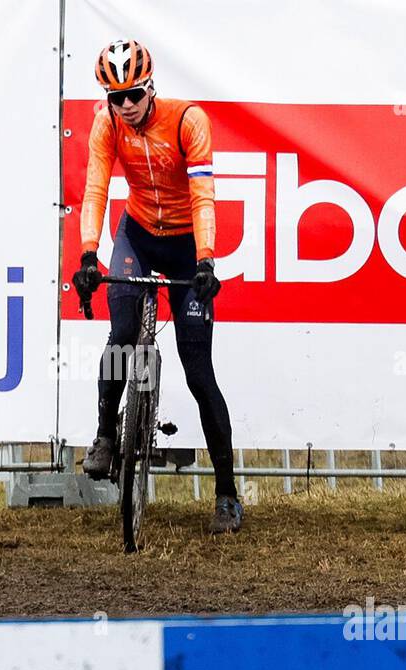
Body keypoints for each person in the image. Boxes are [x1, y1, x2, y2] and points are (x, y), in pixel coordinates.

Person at [71, 39, 242, 534]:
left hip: (188, 243)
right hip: (138, 235)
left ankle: (227, 494)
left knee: (198, 373)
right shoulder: (108, 125)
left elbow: (204, 194)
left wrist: (207, 260)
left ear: (150, 88)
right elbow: (97, 188)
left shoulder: (189, 120)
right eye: (114, 96)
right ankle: (106, 434)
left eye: (133, 95)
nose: (124, 106)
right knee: (121, 333)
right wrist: (87, 253)